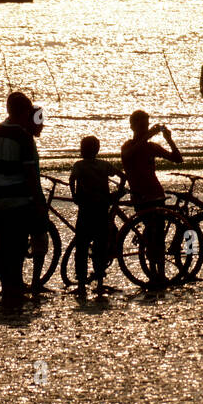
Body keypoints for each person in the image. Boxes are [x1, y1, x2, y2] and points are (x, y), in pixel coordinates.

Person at [0, 92, 45, 304]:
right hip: (21, 199)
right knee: (17, 245)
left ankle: (4, 284)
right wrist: (39, 201)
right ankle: (13, 289)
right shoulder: (24, 137)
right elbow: (30, 175)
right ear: (25, 111)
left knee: (4, 240)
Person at [120, 110, 182, 288]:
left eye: (146, 125)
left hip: (156, 194)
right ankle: (153, 272)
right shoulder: (128, 146)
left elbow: (177, 159)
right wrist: (148, 135)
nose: (144, 128)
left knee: (158, 236)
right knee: (150, 235)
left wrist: (169, 139)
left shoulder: (151, 147)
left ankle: (160, 274)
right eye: (140, 125)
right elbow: (128, 155)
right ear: (132, 125)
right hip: (140, 197)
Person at [68, 135, 125, 291]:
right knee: (100, 247)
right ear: (97, 150)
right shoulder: (103, 165)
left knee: (82, 247)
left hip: (85, 210)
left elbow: (72, 180)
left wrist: (74, 195)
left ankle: (81, 284)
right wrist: (118, 193)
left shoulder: (79, 166)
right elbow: (122, 176)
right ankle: (99, 282)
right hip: (102, 209)